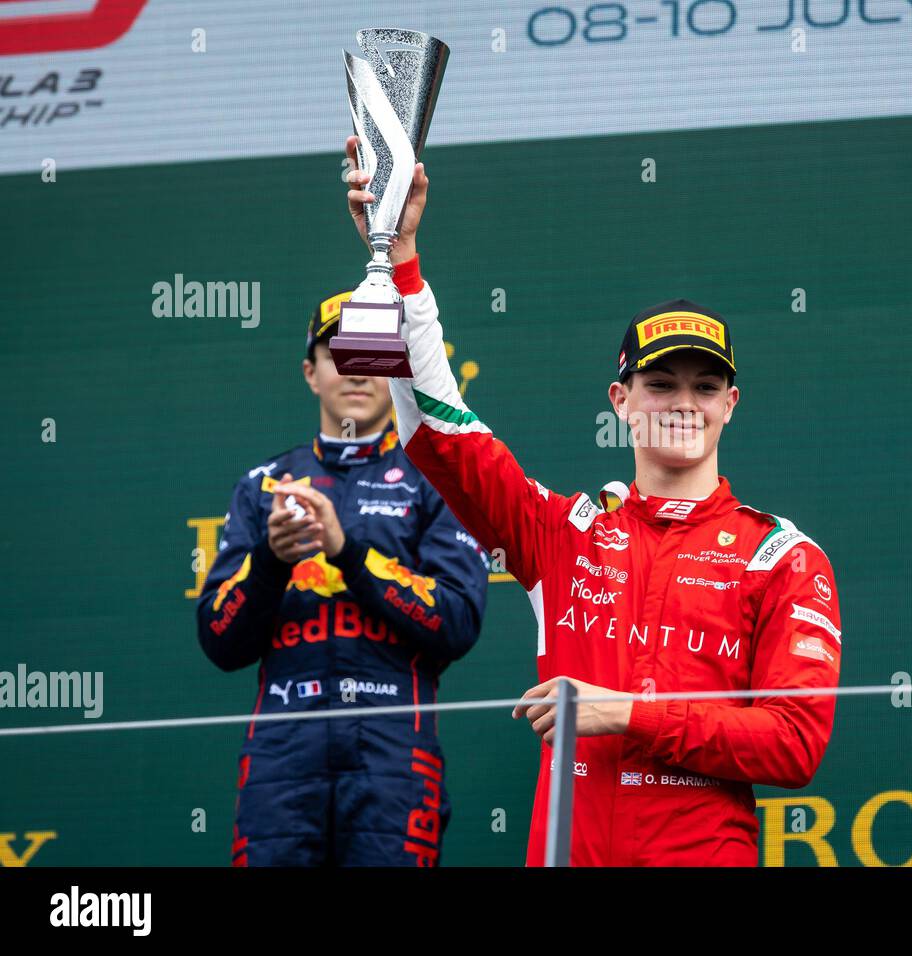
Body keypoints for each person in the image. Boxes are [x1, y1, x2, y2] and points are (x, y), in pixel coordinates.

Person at [343, 136, 842, 866]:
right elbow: (438, 432)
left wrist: (627, 714)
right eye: (660, 384)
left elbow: (795, 745)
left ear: (730, 405)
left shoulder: (784, 558)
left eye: (705, 387)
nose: (684, 403)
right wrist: (405, 260)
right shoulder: (563, 532)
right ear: (622, 401)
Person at [195, 287, 489, 866]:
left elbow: (458, 621)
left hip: (393, 753)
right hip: (280, 753)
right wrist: (271, 560)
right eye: (337, 354)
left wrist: (347, 552)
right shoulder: (265, 486)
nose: (355, 370)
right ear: (311, 372)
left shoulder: (433, 480)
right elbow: (218, 639)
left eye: (370, 354)